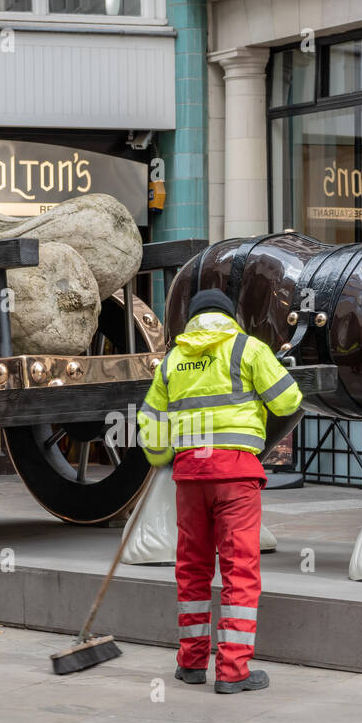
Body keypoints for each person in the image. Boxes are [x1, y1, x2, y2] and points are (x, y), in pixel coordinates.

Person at [137, 288, 303, 693]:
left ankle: (191, 662)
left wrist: (162, 456)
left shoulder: (172, 361)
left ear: (192, 320)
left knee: (192, 568)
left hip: (190, 477)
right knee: (239, 569)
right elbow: (288, 401)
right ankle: (233, 671)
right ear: (229, 316)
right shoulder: (247, 348)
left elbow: (152, 432)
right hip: (235, 476)